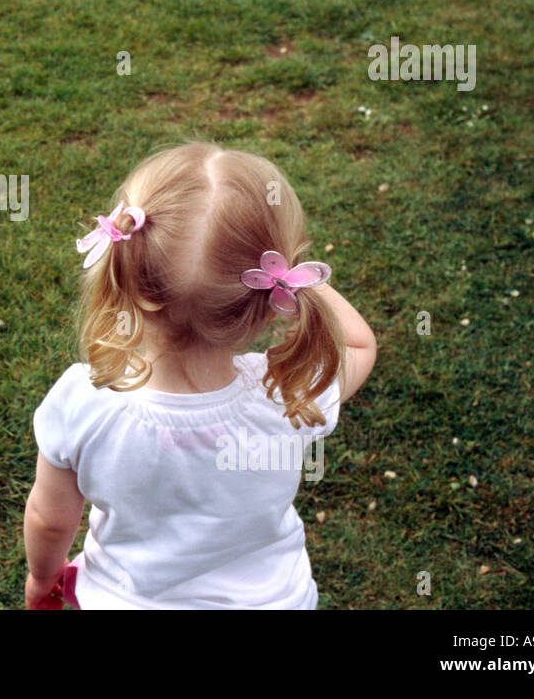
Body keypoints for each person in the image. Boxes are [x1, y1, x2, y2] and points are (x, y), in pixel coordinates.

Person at [23, 141, 377, 609]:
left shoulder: (84, 399)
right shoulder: (288, 393)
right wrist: (299, 277)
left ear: (126, 274)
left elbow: (50, 520)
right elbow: (359, 344)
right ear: (273, 300)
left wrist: (42, 578)